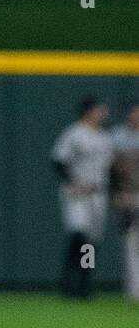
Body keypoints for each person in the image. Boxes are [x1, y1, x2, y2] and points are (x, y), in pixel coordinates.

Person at [51, 99, 112, 298]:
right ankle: (69, 279)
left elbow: (111, 168)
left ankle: (85, 282)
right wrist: (72, 181)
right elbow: (58, 160)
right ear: (88, 111)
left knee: (91, 242)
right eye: (98, 109)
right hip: (77, 192)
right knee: (78, 233)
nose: (102, 113)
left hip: (98, 193)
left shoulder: (104, 137)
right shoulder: (74, 133)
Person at [110, 101, 139, 302]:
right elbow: (110, 170)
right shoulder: (116, 136)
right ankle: (133, 289)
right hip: (127, 195)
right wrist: (118, 193)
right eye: (134, 113)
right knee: (130, 241)